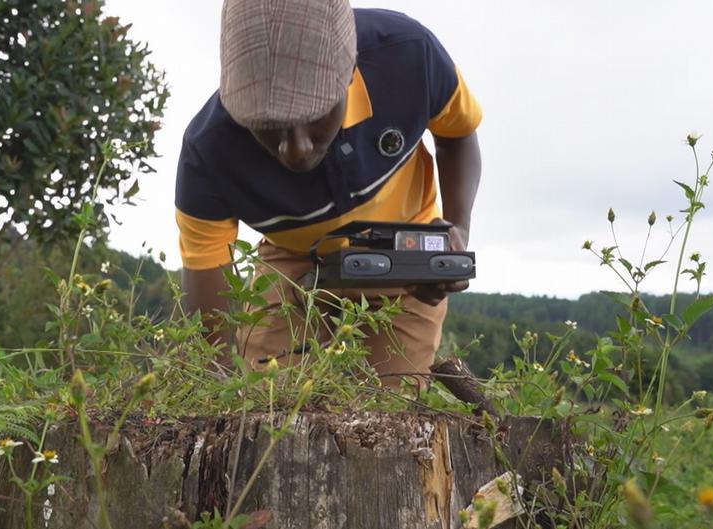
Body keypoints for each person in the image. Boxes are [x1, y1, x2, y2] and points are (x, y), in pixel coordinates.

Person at [174, 0, 482, 384]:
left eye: (314, 113)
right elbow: (209, 335)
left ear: (350, 70)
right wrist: (211, 389)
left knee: (394, 404)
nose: (296, 149)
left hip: (403, 253)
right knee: (271, 400)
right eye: (268, 124)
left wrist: (457, 230)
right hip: (292, 260)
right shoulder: (208, 153)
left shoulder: (407, 55)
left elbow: (458, 136)